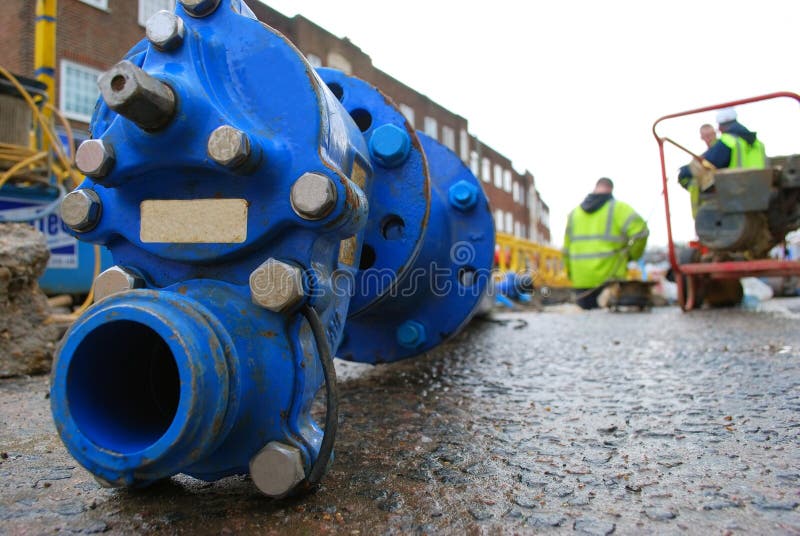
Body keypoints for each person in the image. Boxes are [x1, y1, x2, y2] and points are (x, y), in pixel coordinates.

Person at [563, 178, 649, 309]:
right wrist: (631, 256)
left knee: (584, 322)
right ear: (611, 189)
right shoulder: (619, 208)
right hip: (610, 277)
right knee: (609, 325)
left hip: (581, 278)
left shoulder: (574, 214)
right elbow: (641, 232)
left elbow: (566, 250)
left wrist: (571, 274)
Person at [678, 108, 767, 215]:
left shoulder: (728, 140)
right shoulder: (757, 143)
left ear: (721, 126)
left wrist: (683, 171)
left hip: (737, 194)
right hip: (759, 195)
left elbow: (709, 163)